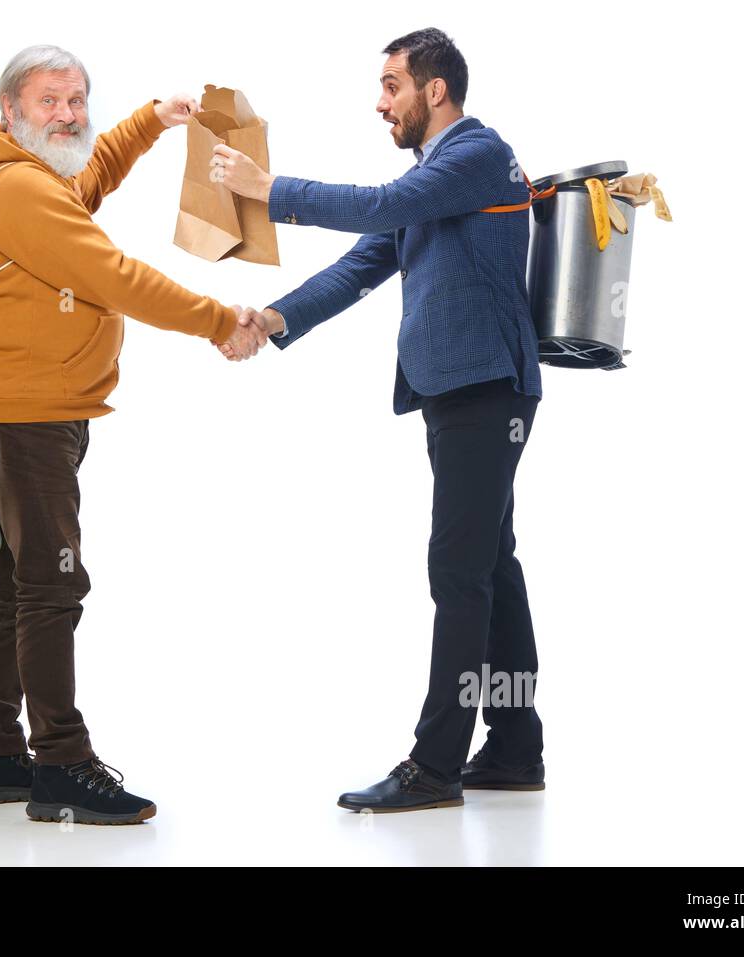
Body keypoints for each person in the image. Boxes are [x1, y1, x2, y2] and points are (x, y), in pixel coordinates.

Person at [214, 27, 546, 812]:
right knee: (492, 566)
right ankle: (515, 745)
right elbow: (365, 260)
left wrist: (270, 189)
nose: (380, 100)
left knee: (458, 571)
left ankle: (435, 765)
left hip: (486, 390)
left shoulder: (475, 155)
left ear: (435, 91)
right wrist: (272, 317)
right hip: (459, 391)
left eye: (392, 84)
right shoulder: (439, 178)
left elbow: (382, 204)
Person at [0, 44, 266, 826]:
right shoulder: (22, 189)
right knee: (54, 585)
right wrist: (222, 319)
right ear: (11, 111)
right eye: (50, 102)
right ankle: (60, 762)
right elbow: (114, 275)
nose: (68, 115)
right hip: (26, 420)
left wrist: (151, 122)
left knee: (16, 583)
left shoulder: (23, 174)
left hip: (14, 410)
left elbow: (86, 180)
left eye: (77, 100)